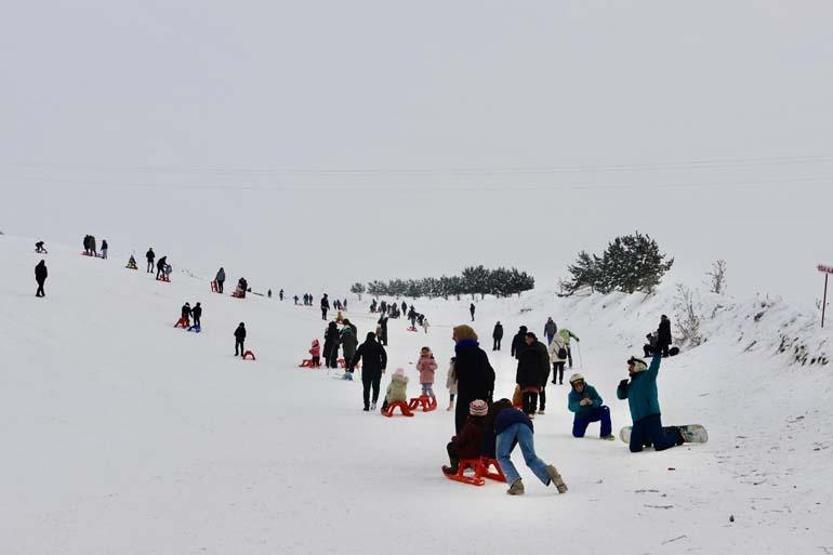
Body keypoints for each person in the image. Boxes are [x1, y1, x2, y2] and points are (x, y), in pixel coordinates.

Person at [491, 398, 567, 496]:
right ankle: (551, 473)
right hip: (525, 423)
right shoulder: (517, 411)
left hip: (505, 423)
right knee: (531, 457)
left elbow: (490, 431)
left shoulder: (497, 412)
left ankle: (516, 485)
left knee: (502, 456)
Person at [616, 354, 684, 453]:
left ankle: (675, 434)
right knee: (634, 448)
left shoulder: (648, 376)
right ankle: (650, 437)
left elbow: (655, 364)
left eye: (631, 366)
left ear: (638, 366)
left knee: (660, 445)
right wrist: (621, 387)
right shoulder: (631, 385)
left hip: (651, 416)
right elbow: (621, 396)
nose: (629, 369)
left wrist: (657, 352)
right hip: (637, 420)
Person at [452, 325, 495, 434]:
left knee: (467, 425)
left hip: (470, 398)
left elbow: (486, 374)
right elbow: (491, 374)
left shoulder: (465, 353)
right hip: (477, 396)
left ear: (462, 336)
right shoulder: (476, 352)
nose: (452, 338)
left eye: (455, 335)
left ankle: (463, 448)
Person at [442, 399, 489, 475]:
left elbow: (461, 440)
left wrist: (455, 439)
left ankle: (454, 468)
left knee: (450, 446)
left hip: (471, 452)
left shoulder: (470, 426)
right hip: (484, 452)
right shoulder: (488, 424)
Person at [567, 373, 613, 439]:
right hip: (581, 416)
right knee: (577, 435)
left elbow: (599, 400)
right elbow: (570, 407)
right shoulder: (572, 395)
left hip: (593, 412)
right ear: (573, 386)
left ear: (583, 383)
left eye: (580, 385)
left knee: (605, 409)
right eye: (576, 386)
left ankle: (605, 434)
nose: (579, 387)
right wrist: (579, 404)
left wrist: (592, 402)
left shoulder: (591, 389)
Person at [350, 332, 388, 411]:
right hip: (377, 369)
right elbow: (384, 356)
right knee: (376, 386)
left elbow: (356, 356)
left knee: (366, 388)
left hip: (366, 370)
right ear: (374, 337)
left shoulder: (363, 346)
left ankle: (366, 405)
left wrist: (352, 365)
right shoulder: (378, 345)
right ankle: (374, 402)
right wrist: (383, 367)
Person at [516, 332, 549, 416]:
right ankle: (535, 409)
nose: (526, 340)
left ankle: (530, 410)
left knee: (531, 393)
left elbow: (521, 366)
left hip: (534, 375)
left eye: (527, 339)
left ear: (531, 338)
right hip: (536, 375)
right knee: (533, 393)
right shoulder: (540, 346)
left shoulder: (532, 349)